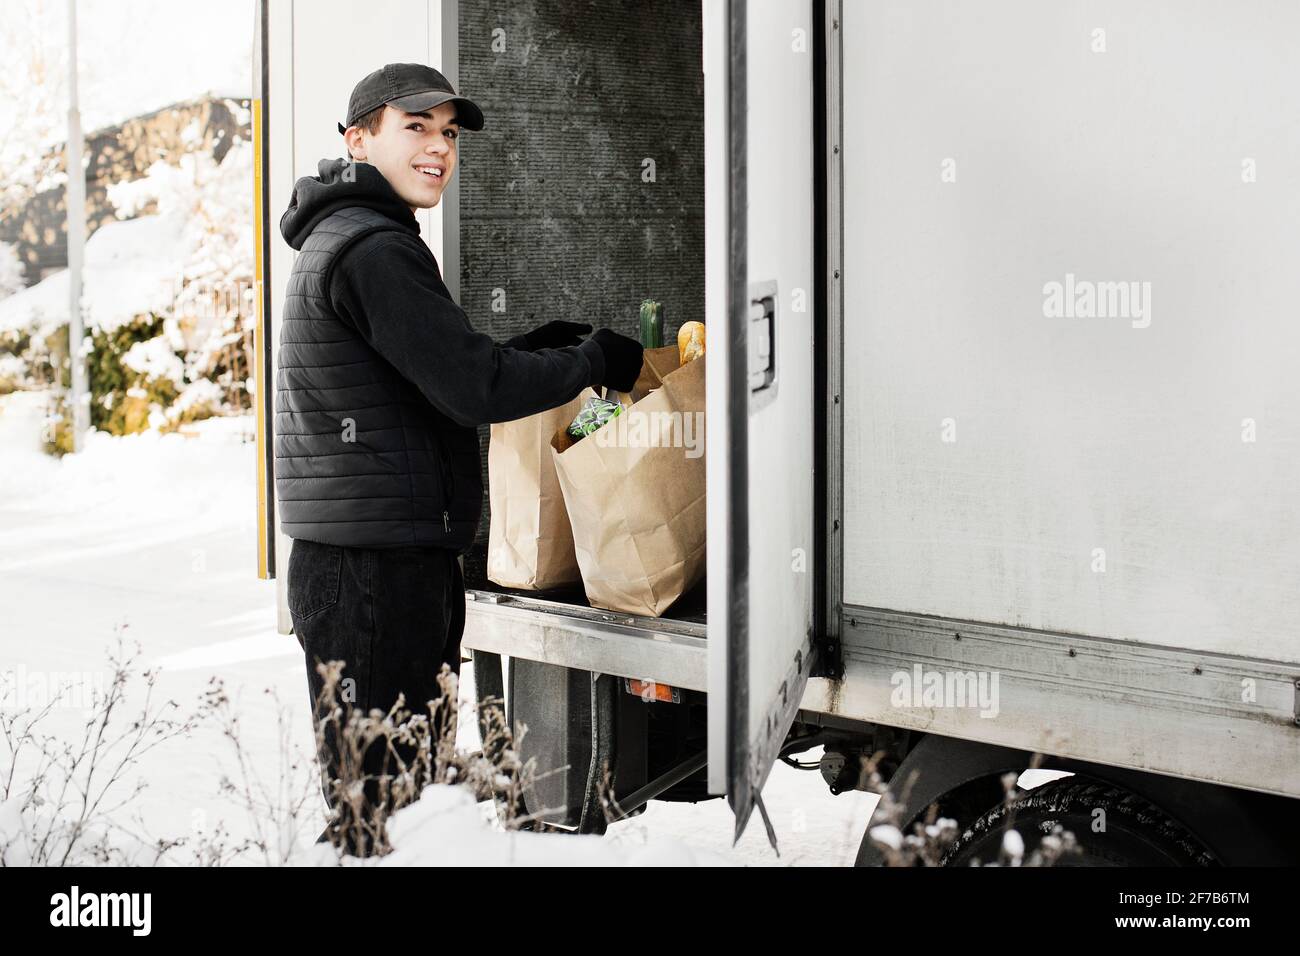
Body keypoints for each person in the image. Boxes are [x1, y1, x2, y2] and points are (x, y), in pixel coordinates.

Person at [275, 63, 643, 850]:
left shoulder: (357, 239)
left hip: (374, 566)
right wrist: (589, 363)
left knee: (397, 809)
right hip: (373, 577)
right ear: (357, 138)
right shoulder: (373, 249)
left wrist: (531, 352)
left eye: (447, 133)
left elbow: (430, 378)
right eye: (415, 127)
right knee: (387, 815)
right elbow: (471, 388)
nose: (438, 147)